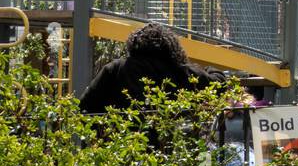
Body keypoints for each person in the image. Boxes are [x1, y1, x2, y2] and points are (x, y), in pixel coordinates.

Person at [80, 22, 218, 115]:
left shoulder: (116, 69)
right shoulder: (179, 70)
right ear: (172, 47)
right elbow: (218, 84)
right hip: (170, 148)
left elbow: (85, 106)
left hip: (121, 147)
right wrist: (209, 69)